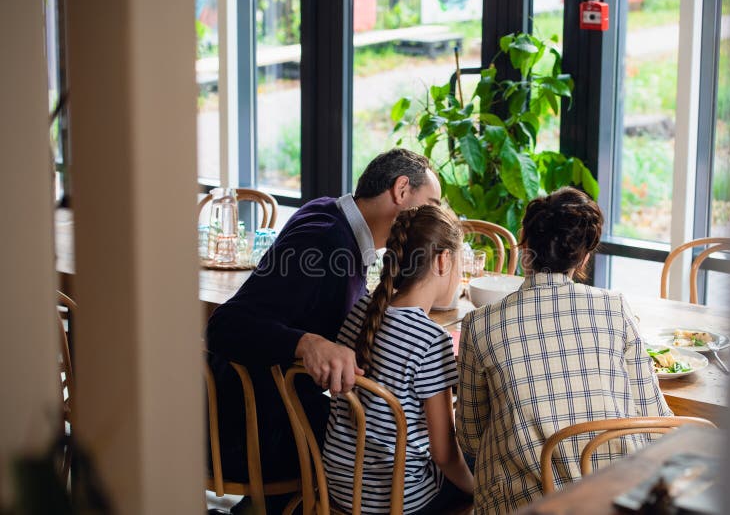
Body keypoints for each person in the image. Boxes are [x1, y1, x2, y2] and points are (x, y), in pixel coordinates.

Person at [205, 148, 441, 489]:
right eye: (430, 206)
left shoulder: (330, 212)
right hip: (248, 430)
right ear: (401, 190)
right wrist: (307, 343)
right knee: (402, 448)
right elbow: (224, 326)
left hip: (267, 410)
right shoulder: (325, 241)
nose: (432, 218)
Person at [456, 187, 672, 514]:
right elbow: (653, 418)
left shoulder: (480, 324)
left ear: (524, 244)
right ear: (583, 256)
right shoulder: (615, 308)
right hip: (609, 500)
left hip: (522, 506)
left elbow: (470, 438)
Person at [323, 206, 473, 514]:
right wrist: (479, 488)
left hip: (338, 489)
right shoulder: (432, 340)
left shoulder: (361, 309)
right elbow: (444, 455)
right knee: (478, 458)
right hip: (396, 502)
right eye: (460, 264)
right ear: (443, 261)